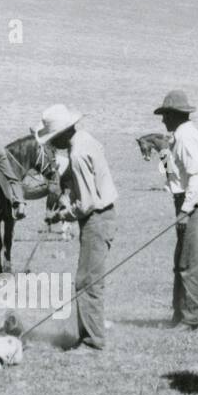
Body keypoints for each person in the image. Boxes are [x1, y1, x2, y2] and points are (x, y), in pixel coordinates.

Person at [38, 104, 117, 352]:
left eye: (53, 139)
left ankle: (92, 342)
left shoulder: (78, 153)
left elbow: (88, 202)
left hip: (97, 218)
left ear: (62, 133)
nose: (53, 144)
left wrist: (64, 213)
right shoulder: (85, 139)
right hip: (102, 215)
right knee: (88, 279)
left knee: (87, 281)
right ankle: (89, 335)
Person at [153, 90, 198, 330]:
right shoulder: (177, 137)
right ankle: (180, 314)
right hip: (186, 199)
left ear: (174, 115)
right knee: (181, 260)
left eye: (165, 114)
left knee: (189, 261)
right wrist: (163, 152)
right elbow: (171, 176)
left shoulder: (186, 137)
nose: (162, 120)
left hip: (193, 201)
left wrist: (186, 210)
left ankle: (191, 319)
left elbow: (196, 176)